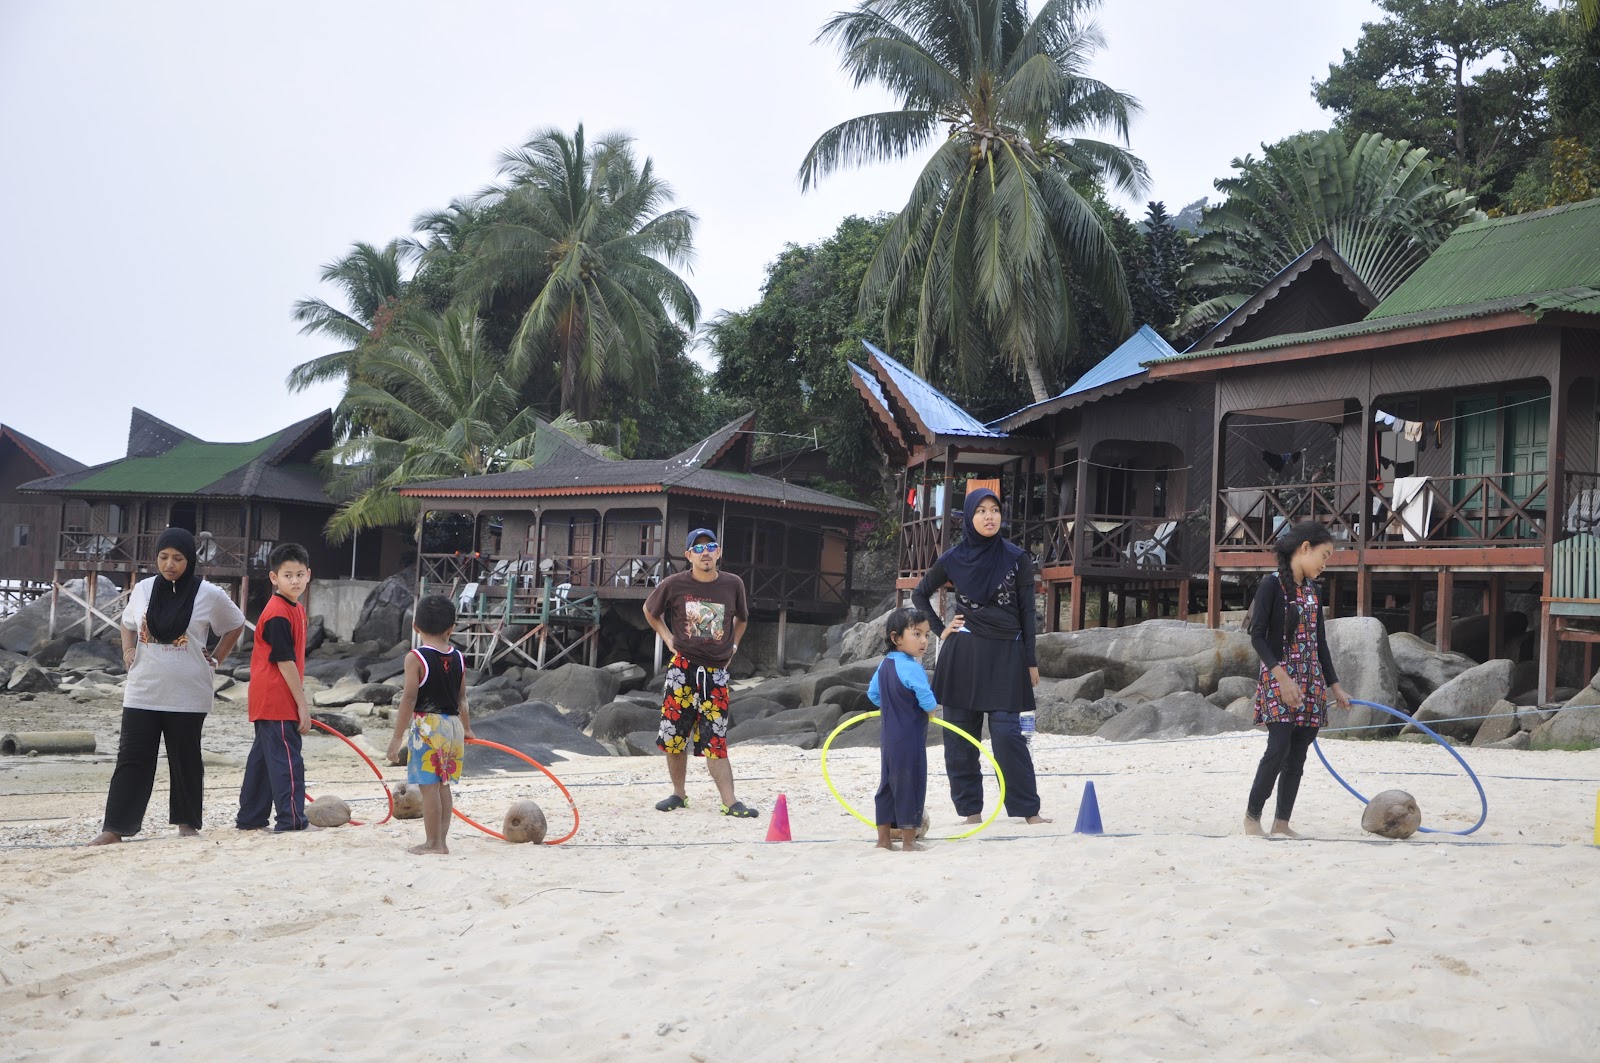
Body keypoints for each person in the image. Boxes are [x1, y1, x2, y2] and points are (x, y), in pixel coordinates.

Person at [87, 527, 247, 845]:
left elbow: (236, 623)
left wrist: (216, 658)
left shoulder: (209, 594)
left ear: (190, 560)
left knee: (185, 759)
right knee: (132, 758)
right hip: (143, 690)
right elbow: (127, 623)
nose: (169, 564)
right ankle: (115, 828)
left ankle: (187, 824)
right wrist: (128, 651)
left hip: (188, 693)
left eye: (177, 558)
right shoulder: (144, 589)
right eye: (163, 557)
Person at [913, 488, 1048, 825]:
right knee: (960, 738)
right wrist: (941, 629)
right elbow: (919, 594)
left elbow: (1027, 613)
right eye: (981, 511)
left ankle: (1027, 810)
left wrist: (1030, 660)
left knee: (1007, 735)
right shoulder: (953, 558)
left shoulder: (1017, 558)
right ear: (969, 517)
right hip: (964, 655)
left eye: (995, 510)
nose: (990, 516)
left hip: (1007, 654)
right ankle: (970, 811)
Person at [1244, 521, 1352, 839]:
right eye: (1324, 555)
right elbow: (1257, 636)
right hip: (1279, 678)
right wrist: (1282, 678)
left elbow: (1320, 643)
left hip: (1310, 680)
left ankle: (1282, 823)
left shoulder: (1314, 591)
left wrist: (1335, 686)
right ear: (1305, 548)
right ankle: (1252, 817)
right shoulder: (1271, 585)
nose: (1325, 564)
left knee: (1298, 753)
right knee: (1278, 747)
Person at [643, 528, 758, 819]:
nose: (705, 552)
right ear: (689, 555)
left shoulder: (733, 584)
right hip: (682, 669)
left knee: (715, 738)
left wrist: (733, 647)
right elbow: (650, 610)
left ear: (719, 552)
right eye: (698, 548)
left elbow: (742, 619)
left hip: (716, 673)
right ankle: (678, 794)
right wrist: (667, 638)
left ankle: (730, 801)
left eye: (710, 547)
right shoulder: (674, 584)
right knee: (674, 736)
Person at [387, 594, 474, 855]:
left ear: (416, 626)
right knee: (443, 785)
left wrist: (397, 737)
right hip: (452, 726)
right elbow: (462, 698)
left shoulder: (416, 658)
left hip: (427, 727)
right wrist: (467, 728)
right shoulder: (458, 657)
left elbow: (409, 698)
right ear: (451, 628)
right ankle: (441, 842)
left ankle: (433, 843)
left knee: (428, 789)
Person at [236, 543, 314, 833]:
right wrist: (302, 705)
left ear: (308, 575)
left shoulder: (296, 609)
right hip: (276, 697)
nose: (294, 581)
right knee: (287, 761)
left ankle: (251, 818)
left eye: (299, 575)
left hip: (268, 697)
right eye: (287, 575)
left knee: (264, 759)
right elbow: (284, 661)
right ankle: (292, 819)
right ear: (274, 578)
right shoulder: (278, 612)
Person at [867, 607, 937, 852]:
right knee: (910, 785)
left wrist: (891, 704)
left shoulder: (884, 665)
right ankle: (909, 842)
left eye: (926, 635)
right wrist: (930, 711)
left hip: (888, 738)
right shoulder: (912, 667)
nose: (924, 641)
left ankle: (883, 841)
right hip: (910, 738)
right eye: (916, 634)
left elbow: (873, 694)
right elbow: (927, 699)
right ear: (896, 638)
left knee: (887, 786)